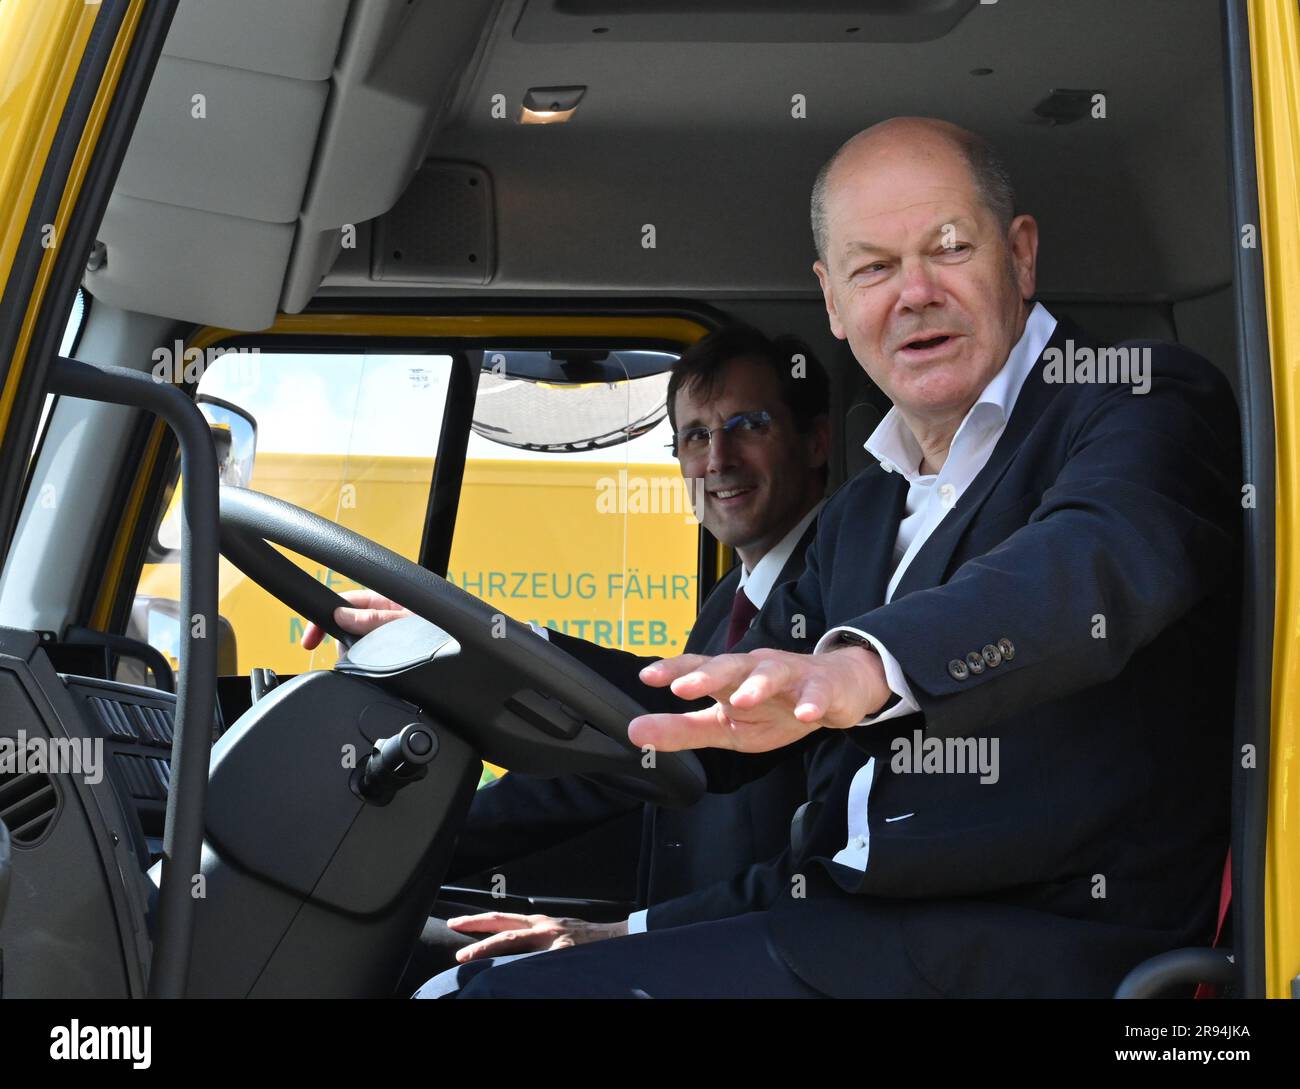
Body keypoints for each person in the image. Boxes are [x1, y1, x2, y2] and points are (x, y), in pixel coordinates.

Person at [411, 116, 1241, 998]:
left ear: (1021, 256)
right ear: (836, 302)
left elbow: (1090, 561)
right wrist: (471, 643)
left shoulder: (1135, 396)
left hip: (1051, 961)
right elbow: (723, 714)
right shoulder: (863, 512)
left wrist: (867, 665)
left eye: (949, 248)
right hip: (853, 936)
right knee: (459, 985)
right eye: (875, 267)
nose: (915, 292)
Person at [302, 326, 833, 981]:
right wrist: (409, 836)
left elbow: (714, 746)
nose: (717, 458)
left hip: (758, 957)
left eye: (747, 425)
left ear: (815, 440)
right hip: (686, 939)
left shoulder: (837, 587)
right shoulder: (733, 600)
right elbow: (618, 762)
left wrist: (486, 637)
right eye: (694, 435)